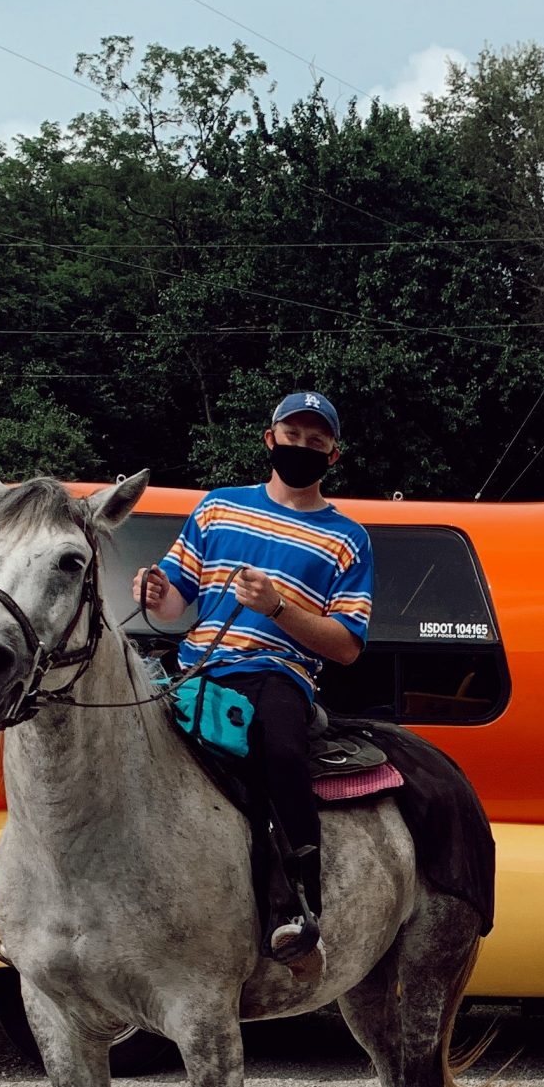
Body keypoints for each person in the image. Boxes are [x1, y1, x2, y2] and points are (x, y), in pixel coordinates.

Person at [134, 391, 373, 961]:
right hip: (196, 671)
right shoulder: (217, 508)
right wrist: (153, 591)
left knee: (281, 754)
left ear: (333, 456)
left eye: (316, 442)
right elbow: (173, 606)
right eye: (293, 437)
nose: (303, 448)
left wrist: (277, 609)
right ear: (270, 440)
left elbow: (346, 647)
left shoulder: (349, 539)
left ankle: (298, 904)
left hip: (277, 674)